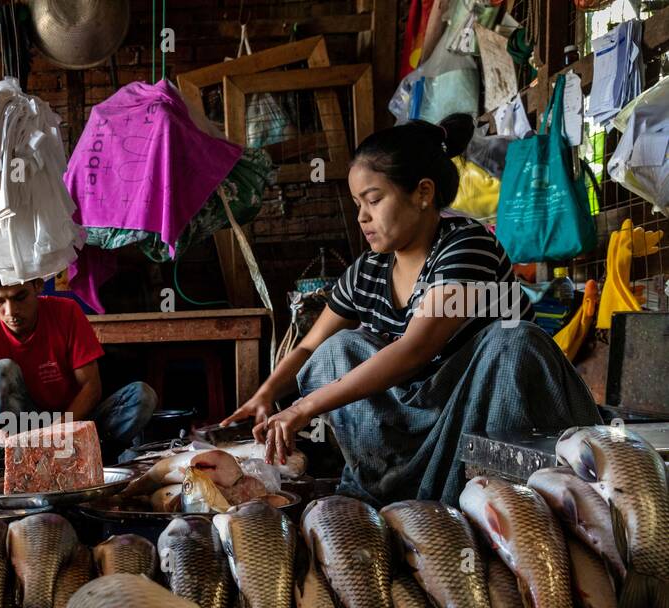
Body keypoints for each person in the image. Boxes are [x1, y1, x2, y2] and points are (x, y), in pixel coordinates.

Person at [222, 114, 601, 506]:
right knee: (336, 350)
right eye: (357, 204)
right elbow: (307, 348)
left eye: (374, 200)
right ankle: (386, 486)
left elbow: (414, 350)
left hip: (478, 418)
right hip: (414, 422)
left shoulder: (468, 247)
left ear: (422, 193)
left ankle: (500, 498)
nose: (362, 217)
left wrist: (303, 408)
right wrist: (265, 394)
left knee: (513, 340)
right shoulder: (367, 271)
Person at [0, 269, 157, 450]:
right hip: (17, 436)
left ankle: (94, 458)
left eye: (20, 297)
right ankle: (15, 462)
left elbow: (91, 387)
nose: (11, 311)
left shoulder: (67, 313)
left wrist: (57, 431)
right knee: (1, 371)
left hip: (69, 426)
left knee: (141, 397)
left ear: (38, 284)